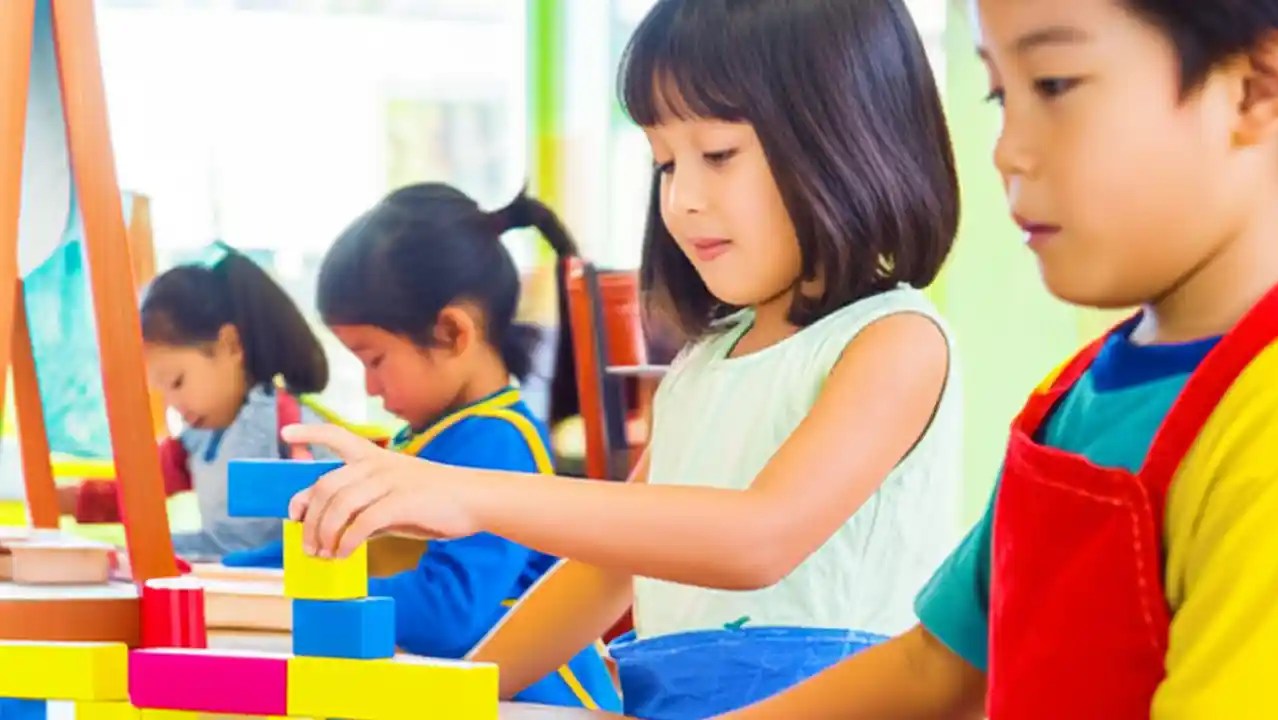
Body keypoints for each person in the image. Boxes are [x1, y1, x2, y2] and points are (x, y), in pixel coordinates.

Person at [281, 1, 966, 716]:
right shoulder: (706, 360)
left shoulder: (895, 340)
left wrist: (470, 494)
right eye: (665, 163)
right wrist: (457, 698)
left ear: (846, 136)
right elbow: (607, 565)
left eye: (719, 154)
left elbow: (758, 539)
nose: (682, 200)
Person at [717, 1, 1278, 718]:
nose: (1007, 150)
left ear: (1255, 88)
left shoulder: (1264, 423)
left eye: (1053, 85)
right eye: (998, 94)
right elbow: (938, 668)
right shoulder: (1073, 395)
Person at [227, 183, 620, 712]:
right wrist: (230, 573)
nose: (369, 386)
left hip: (537, 700)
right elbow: (334, 545)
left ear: (453, 333)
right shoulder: (427, 439)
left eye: (375, 359)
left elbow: (450, 610)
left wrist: (307, 598)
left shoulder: (499, 442)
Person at [59, 245, 330, 561]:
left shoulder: (287, 427)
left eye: (177, 382)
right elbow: (137, 489)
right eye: (164, 392)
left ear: (229, 345)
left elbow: (257, 545)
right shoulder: (199, 439)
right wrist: (57, 497)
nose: (173, 403)